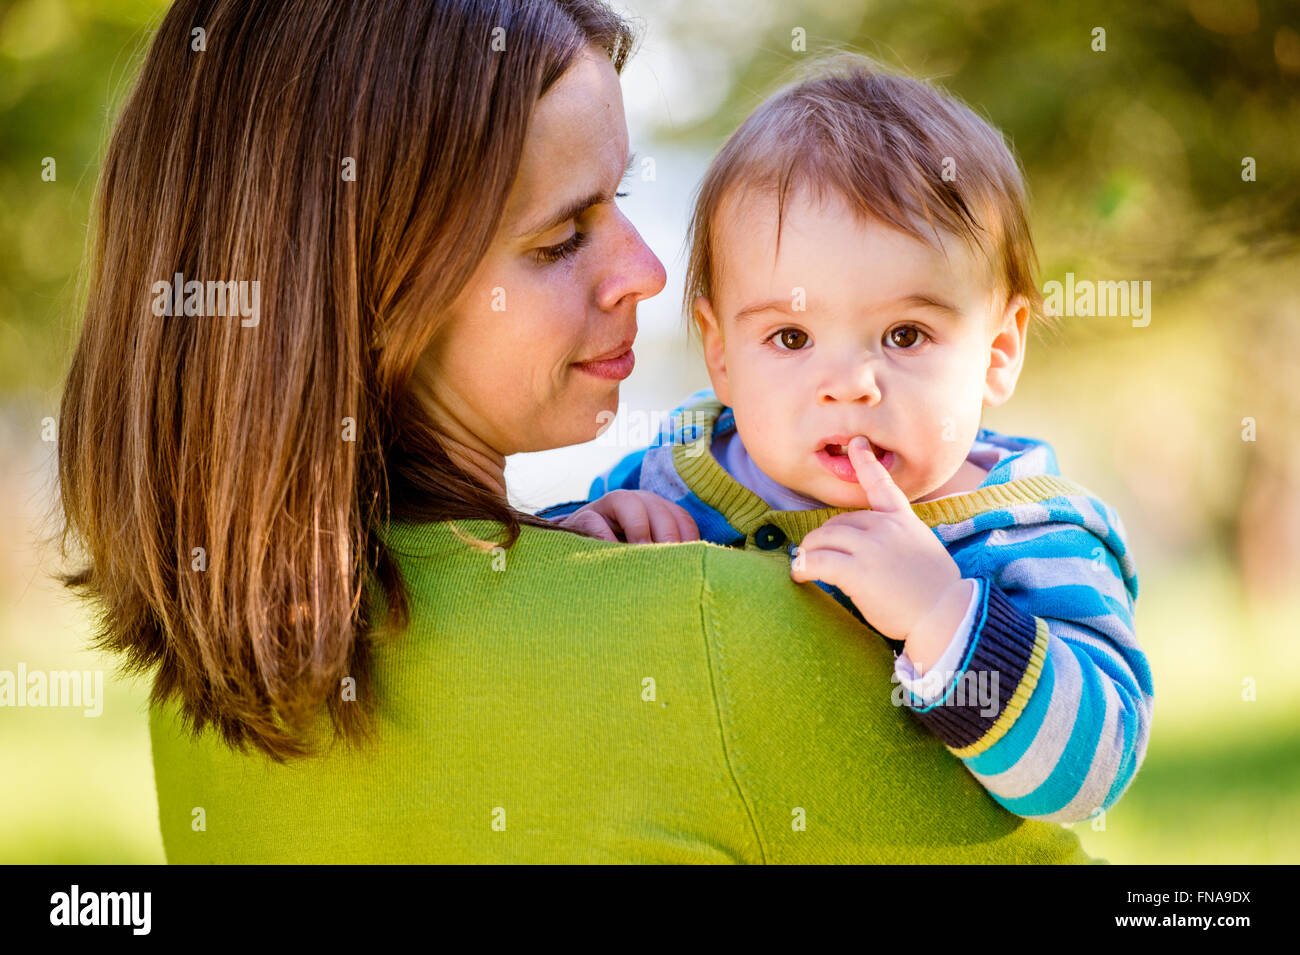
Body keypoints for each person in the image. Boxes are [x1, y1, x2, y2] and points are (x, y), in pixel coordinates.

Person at [56, 0, 1093, 862]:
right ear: (360, 295)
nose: (647, 269)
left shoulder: (220, 687)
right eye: (560, 238)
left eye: (625, 198)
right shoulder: (723, 636)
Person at [538, 59, 1154, 824]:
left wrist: (945, 615)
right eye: (791, 336)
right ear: (721, 352)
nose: (851, 383)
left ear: (997, 352)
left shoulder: (1030, 537)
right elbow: (550, 626)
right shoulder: (675, 476)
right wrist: (588, 533)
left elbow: (1089, 776)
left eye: (905, 334)